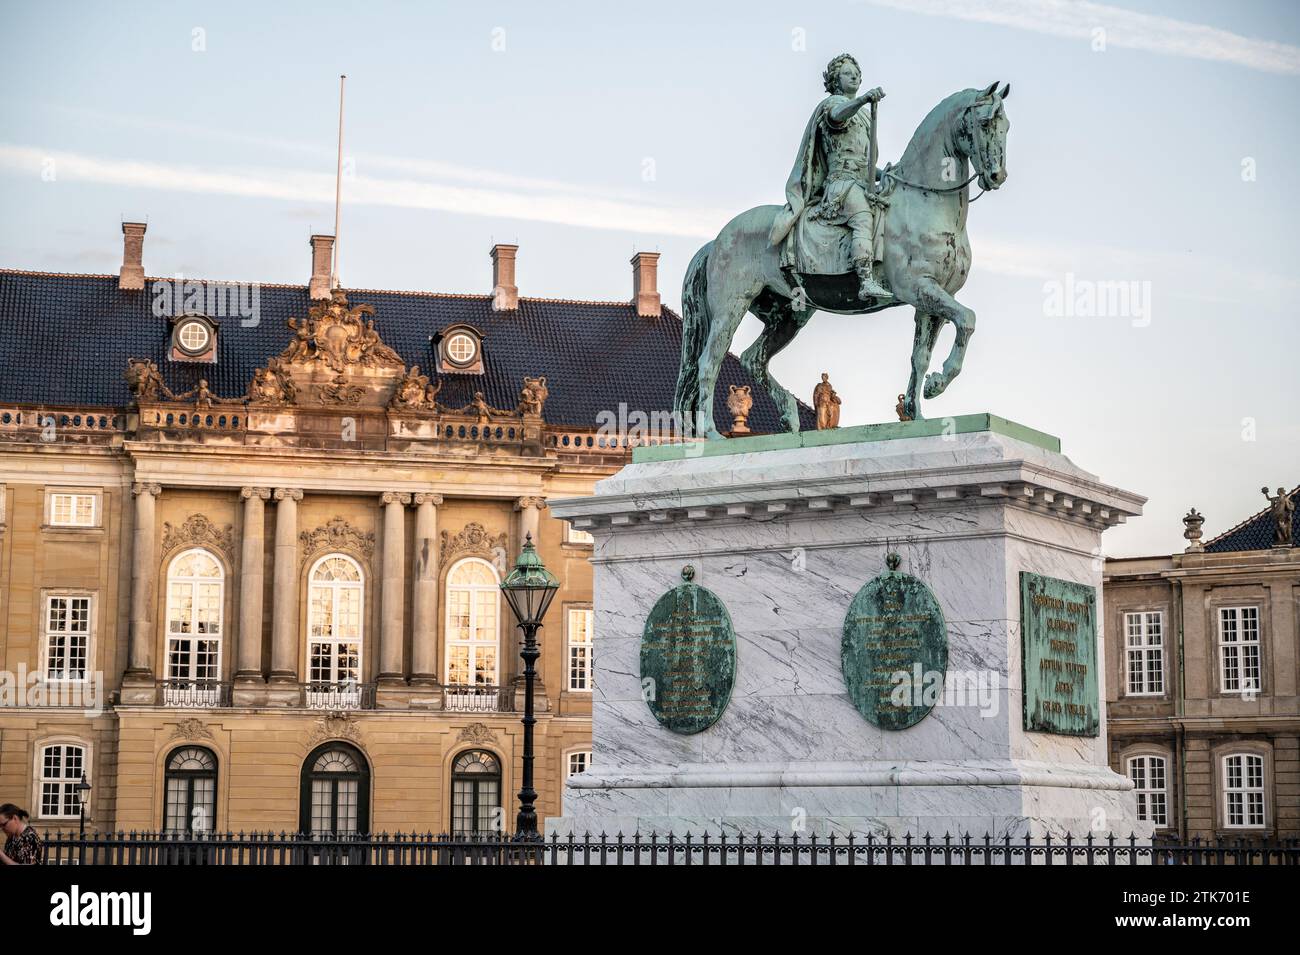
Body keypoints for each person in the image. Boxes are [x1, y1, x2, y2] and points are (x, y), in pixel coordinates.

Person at [771, 52, 889, 300]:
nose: (855, 75)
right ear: (836, 80)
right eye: (847, 73)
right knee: (862, 217)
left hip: (861, 182)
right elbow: (836, 119)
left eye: (857, 72)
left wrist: (885, 173)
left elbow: (866, 165)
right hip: (841, 184)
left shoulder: (864, 115)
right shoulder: (833, 105)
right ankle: (866, 280)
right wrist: (863, 100)